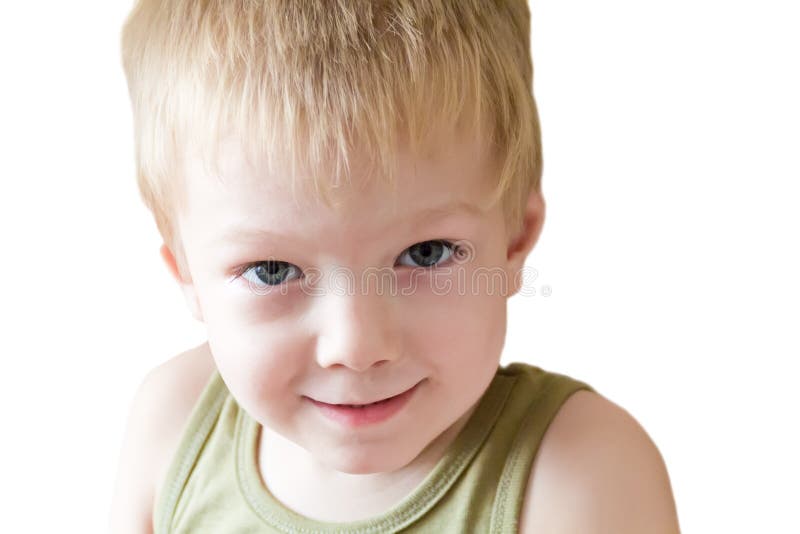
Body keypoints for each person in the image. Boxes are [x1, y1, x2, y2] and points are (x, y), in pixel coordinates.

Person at [110, 1, 680, 532]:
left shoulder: (579, 475)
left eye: (425, 254)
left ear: (515, 239)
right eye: (273, 270)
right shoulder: (175, 426)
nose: (356, 346)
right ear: (185, 272)